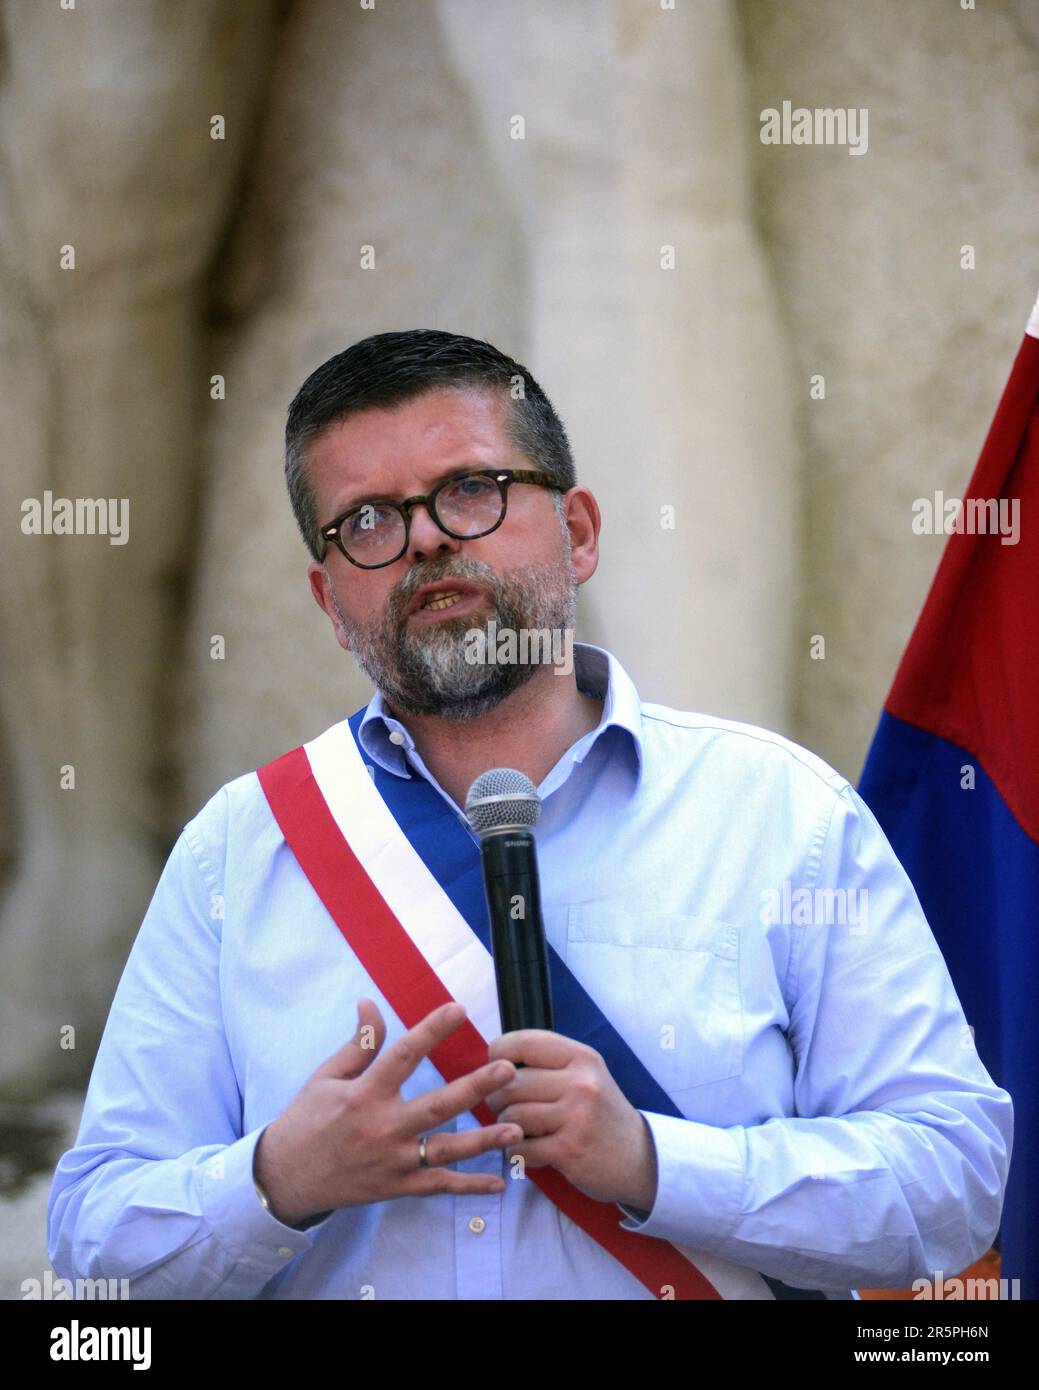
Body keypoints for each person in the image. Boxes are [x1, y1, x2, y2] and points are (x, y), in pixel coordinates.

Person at [48, 330, 1012, 1300]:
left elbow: (952, 1186)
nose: (425, 538)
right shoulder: (238, 846)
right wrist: (276, 1179)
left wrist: (652, 1161)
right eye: (367, 521)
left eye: (471, 488)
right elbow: (94, 1230)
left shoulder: (777, 812)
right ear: (329, 601)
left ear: (579, 530)